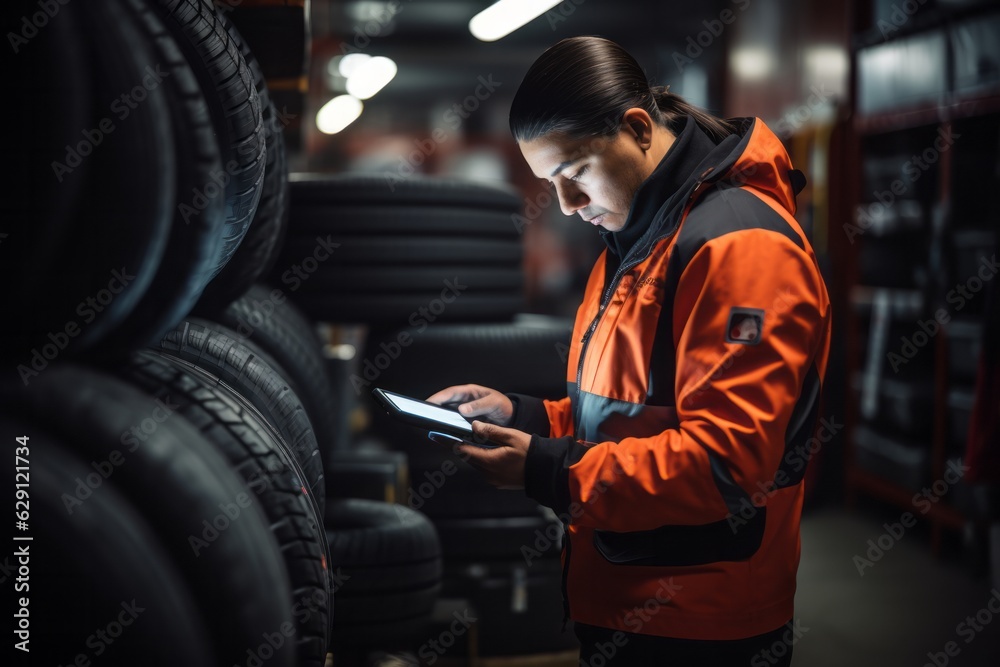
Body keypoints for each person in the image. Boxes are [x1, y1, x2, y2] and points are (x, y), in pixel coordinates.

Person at [427, 35, 831, 666]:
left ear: (639, 129)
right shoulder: (639, 238)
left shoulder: (738, 247)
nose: (566, 204)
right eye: (550, 182)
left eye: (575, 172)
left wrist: (548, 470)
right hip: (624, 597)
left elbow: (727, 466)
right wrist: (528, 419)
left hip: (700, 624)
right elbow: (626, 417)